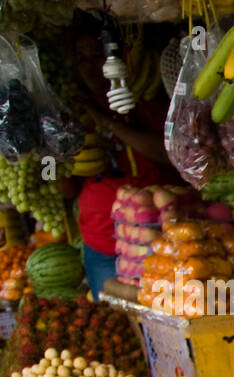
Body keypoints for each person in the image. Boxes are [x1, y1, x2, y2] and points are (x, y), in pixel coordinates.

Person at [69, 25, 175, 299]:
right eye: (81, 59)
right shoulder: (76, 116)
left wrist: (107, 122)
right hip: (101, 245)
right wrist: (54, 157)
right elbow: (65, 190)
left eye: (96, 56)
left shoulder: (145, 101)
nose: (89, 66)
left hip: (156, 240)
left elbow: (169, 153)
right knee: (117, 331)